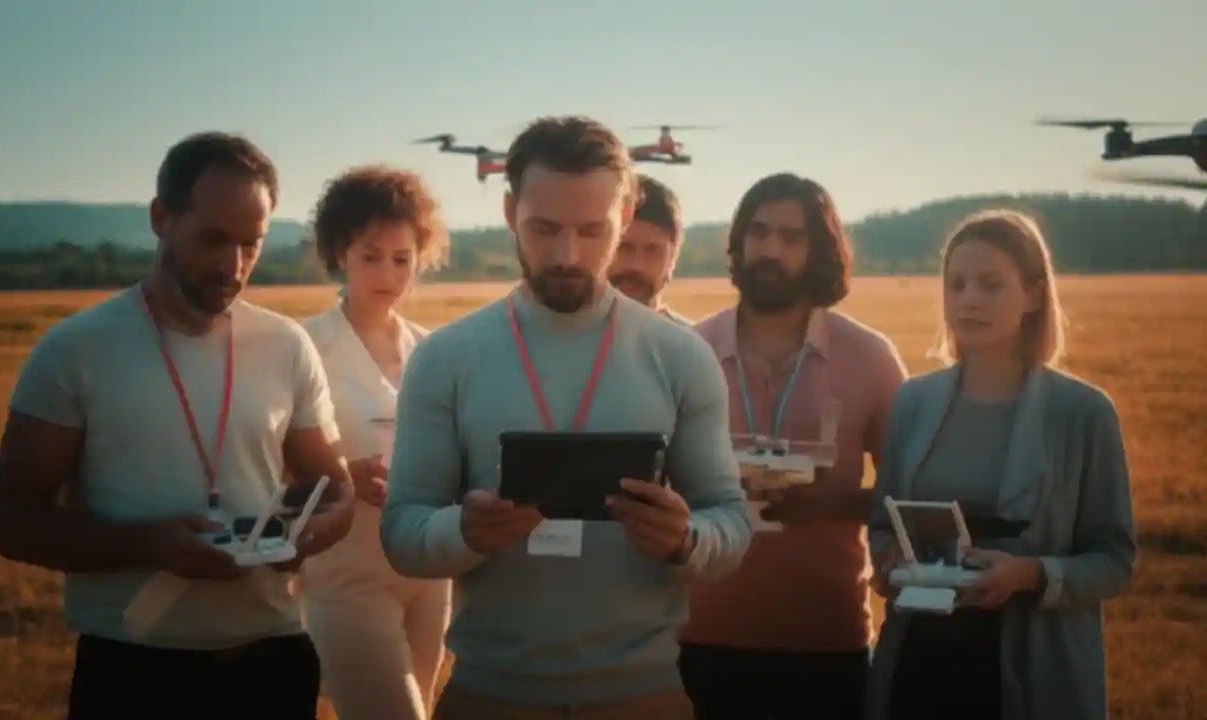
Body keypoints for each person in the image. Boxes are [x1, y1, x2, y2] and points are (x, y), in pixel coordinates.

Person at [379, 115, 752, 719]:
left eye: (591, 231)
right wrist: (465, 533)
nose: (566, 254)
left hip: (643, 695)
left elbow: (730, 522)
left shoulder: (681, 356)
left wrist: (686, 539)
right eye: (543, 229)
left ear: (626, 216)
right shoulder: (446, 358)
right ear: (509, 213)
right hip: (490, 695)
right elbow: (402, 534)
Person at [0, 131, 360, 719]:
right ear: (162, 218)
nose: (233, 267)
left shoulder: (286, 345)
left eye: (251, 244)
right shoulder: (73, 351)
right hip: (136, 672)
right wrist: (148, 546)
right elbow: (12, 523)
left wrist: (316, 532)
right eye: (213, 240)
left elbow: (333, 485)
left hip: (275, 660)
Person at [864, 210, 1137, 720]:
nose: (969, 299)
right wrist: (889, 563)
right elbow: (883, 527)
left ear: (1033, 294)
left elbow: (1114, 561)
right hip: (919, 665)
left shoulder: (1082, 412)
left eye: (990, 285)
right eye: (957, 284)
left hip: (1034, 674)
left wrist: (1028, 574)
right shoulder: (913, 402)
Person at [677, 173, 908, 719]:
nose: (770, 250)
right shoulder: (687, 352)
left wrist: (835, 504)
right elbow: (649, 480)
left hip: (827, 646)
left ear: (822, 251)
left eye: (791, 237)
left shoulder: (870, 358)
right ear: (738, 242)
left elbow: (912, 496)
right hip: (695, 641)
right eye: (758, 232)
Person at [296, 165, 452, 719]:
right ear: (341, 253)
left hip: (429, 576)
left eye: (402, 258)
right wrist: (342, 475)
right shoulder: (305, 347)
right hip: (345, 577)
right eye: (371, 256)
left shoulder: (433, 351)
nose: (388, 272)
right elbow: (264, 466)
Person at [606, 173, 692, 325]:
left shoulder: (692, 345)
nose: (636, 265)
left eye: (653, 251)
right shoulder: (559, 341)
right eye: (623, 247)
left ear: (672, 257)